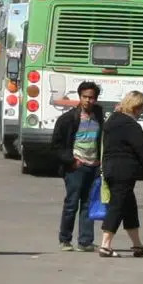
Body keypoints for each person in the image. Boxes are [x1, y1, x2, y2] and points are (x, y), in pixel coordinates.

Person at [96, 91, 143, 257]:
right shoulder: (131, 126)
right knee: (117, 205)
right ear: (136, 107)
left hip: (109, 167)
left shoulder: (112, 121)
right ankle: (105, 244)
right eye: (142, 107)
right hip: (124, 170)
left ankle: (137, 245)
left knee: (129, 206)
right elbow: (141, 151)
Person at [51, 81, 105, 252]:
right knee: (72, 203)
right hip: (76, 167)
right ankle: (65, 239)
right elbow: (56, 145)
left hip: (93, 166)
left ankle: (85, 241)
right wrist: (71, 161)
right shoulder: (68, 119)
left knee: (89, 204)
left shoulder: (98, 116)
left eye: (91, 98)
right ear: (79, 97)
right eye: (85, 97)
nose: (88, 100)